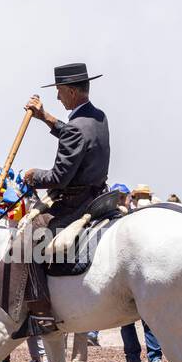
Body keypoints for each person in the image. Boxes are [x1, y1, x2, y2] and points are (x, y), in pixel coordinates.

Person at [16, 63, 112, 332]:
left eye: (59, 91)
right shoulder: (98, 117)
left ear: (70, 91)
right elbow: (75, 137)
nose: (57, 97)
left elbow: (59, 178)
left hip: (74, 203)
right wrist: (45, 116)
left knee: (30, 234)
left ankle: (40, 310)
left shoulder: (76, 126)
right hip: (98, 197)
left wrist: (33, 175)